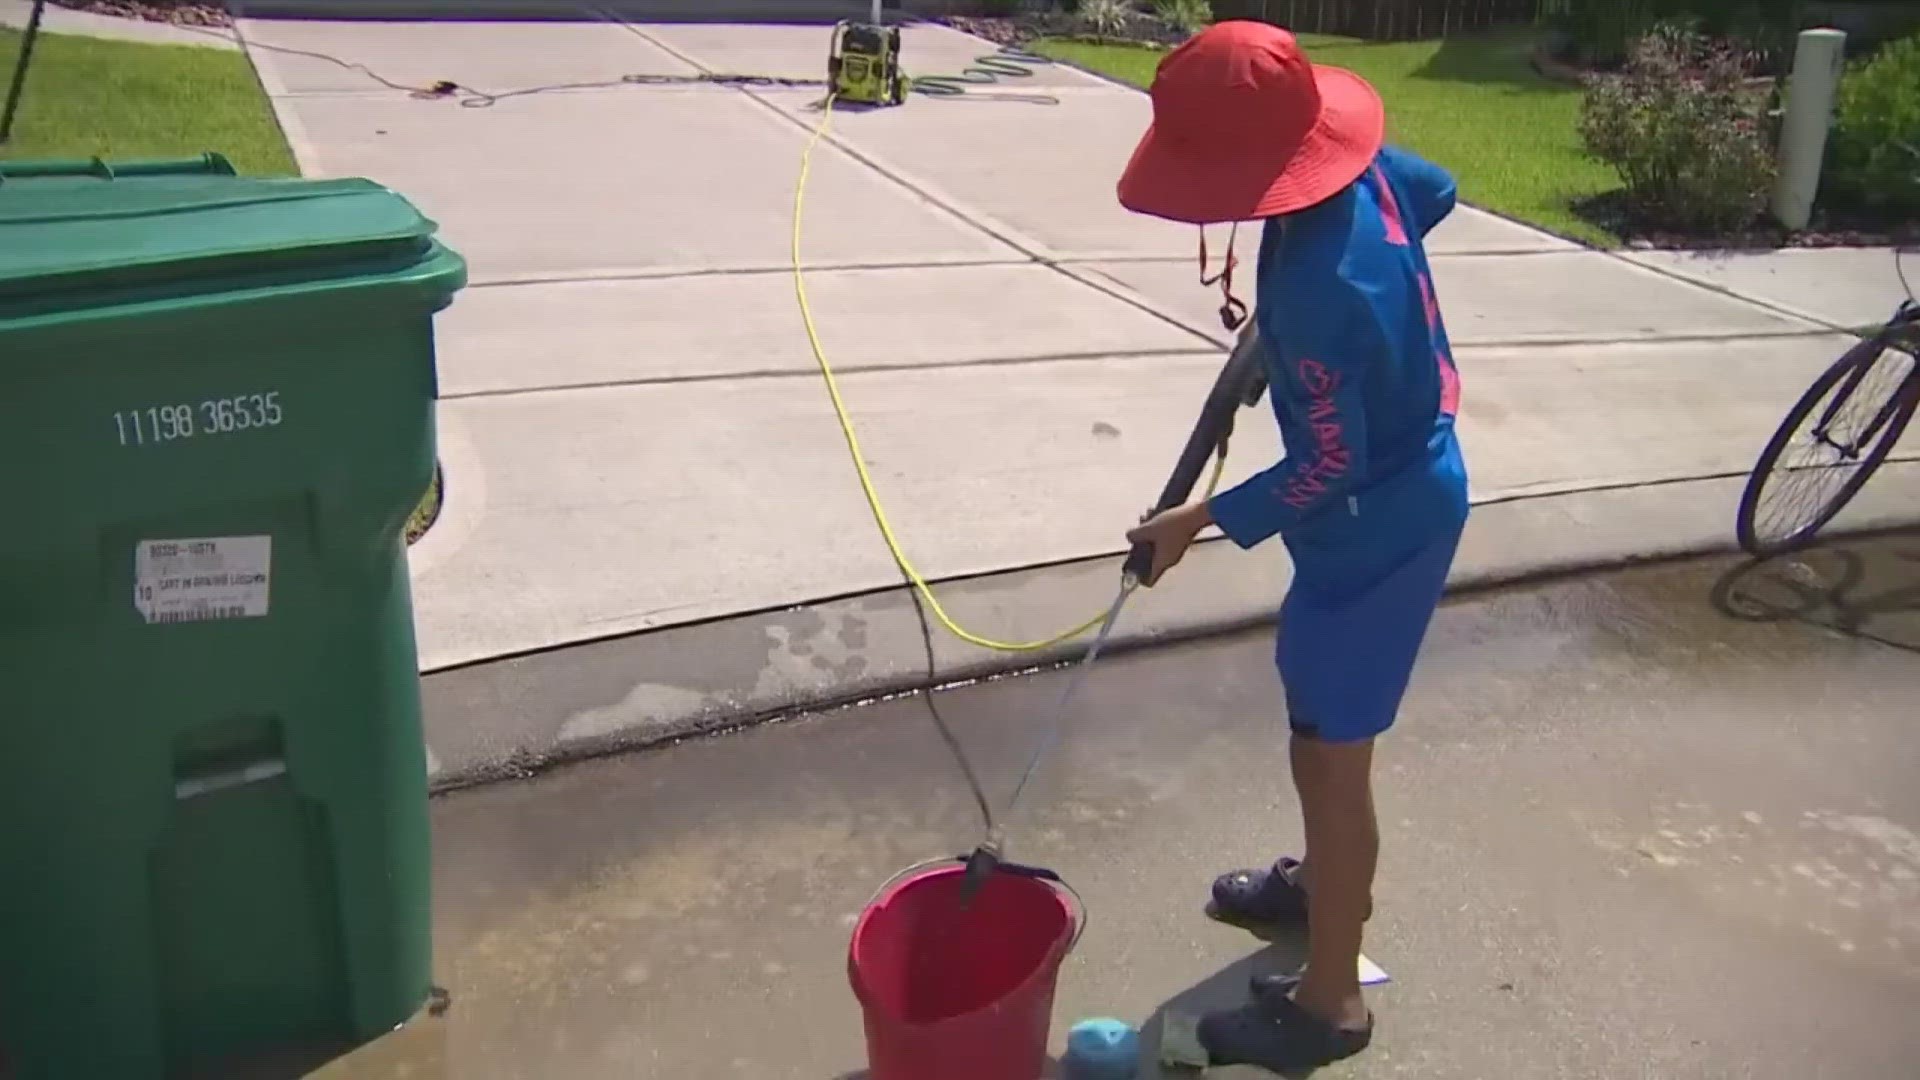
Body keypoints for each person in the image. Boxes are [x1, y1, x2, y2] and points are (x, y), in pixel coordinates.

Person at [1114, 18, 1471, 1074]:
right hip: (1406, 485)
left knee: (1329, 755)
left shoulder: (1317, 295)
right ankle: (1320, 889)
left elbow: (1328, 469)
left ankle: (1330, 1007)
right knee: (1317, 720)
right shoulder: (1363, 183)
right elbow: (1436, 190)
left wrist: (1197, 521)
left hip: (1378, 523)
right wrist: (1349, 334)